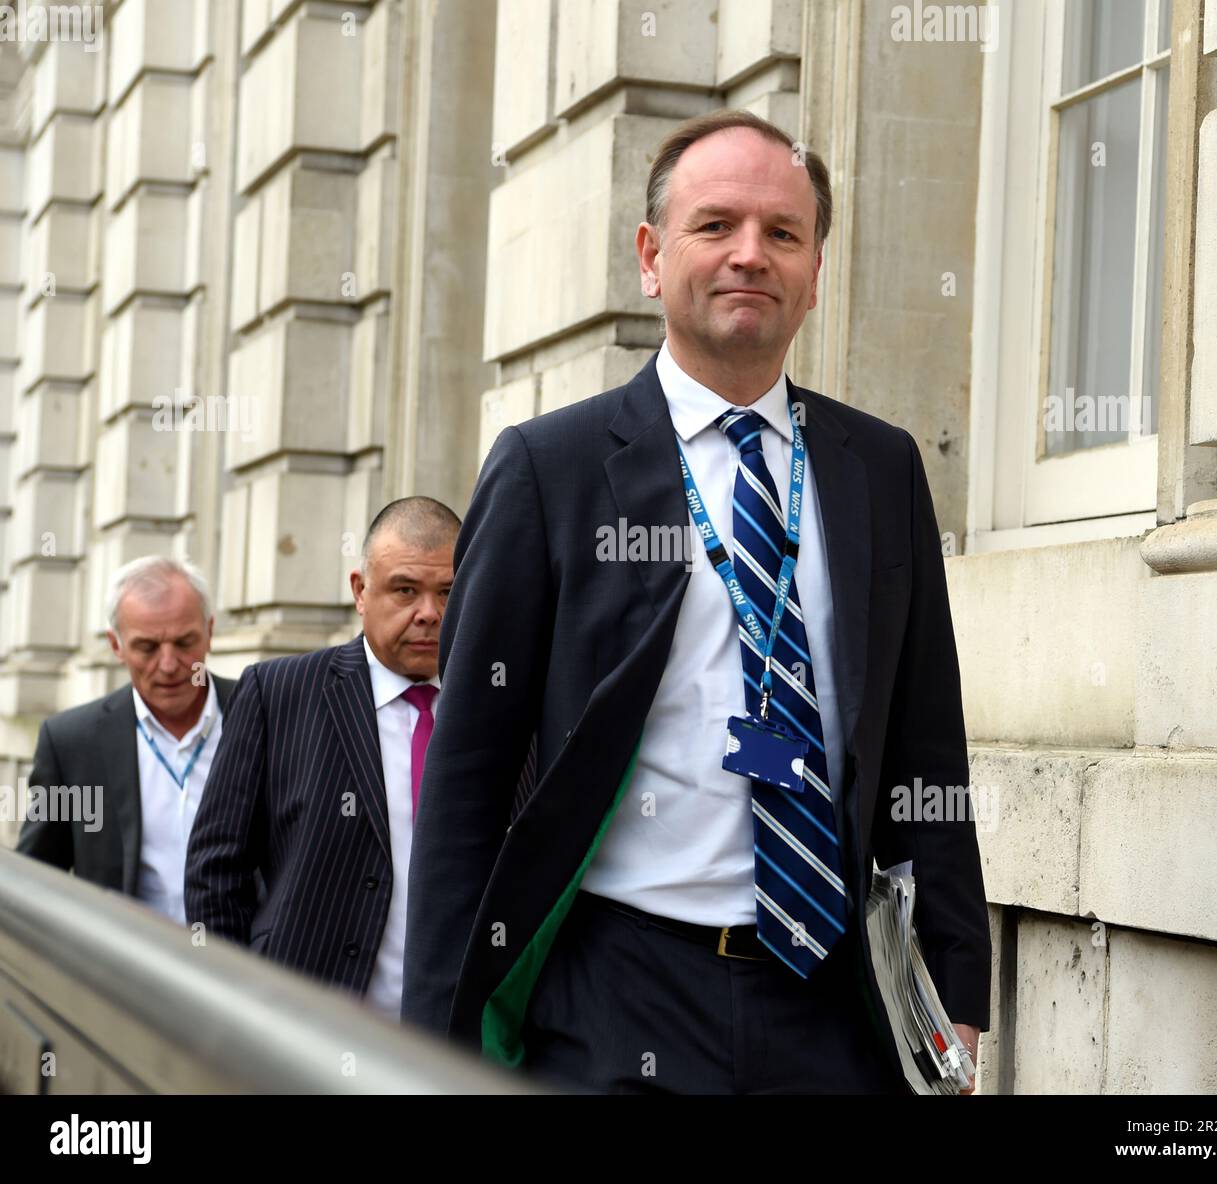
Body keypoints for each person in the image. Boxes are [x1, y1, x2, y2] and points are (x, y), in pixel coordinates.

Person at [402, 109, 991, 1094]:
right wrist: (430, 1049)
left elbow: (927, 745)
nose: (749, 254)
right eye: (715, 225)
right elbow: (467, 779)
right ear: (650, 256)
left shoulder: (879, 469)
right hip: (616, 999)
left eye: (782, 232)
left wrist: (957, 989)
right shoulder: (550, 469)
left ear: (814, 275)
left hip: (835, 1008)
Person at [185, 497, 457, 1018]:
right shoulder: (278, 693)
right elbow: (216, 871)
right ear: (360, 591)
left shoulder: (500, 702)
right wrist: (235, 1009)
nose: (429, 612)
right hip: (304, 1028)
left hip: (455, 1041)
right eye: (405, 590)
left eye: (447, 591)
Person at [17, 556, 236, 923]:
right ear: (116, 645)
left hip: (247, 959)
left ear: (210, 631)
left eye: (184, 642)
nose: (168, 665)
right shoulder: (70, 743)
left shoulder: (267, 716)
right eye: (147, 647)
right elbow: (35, 879)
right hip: (122, 959)